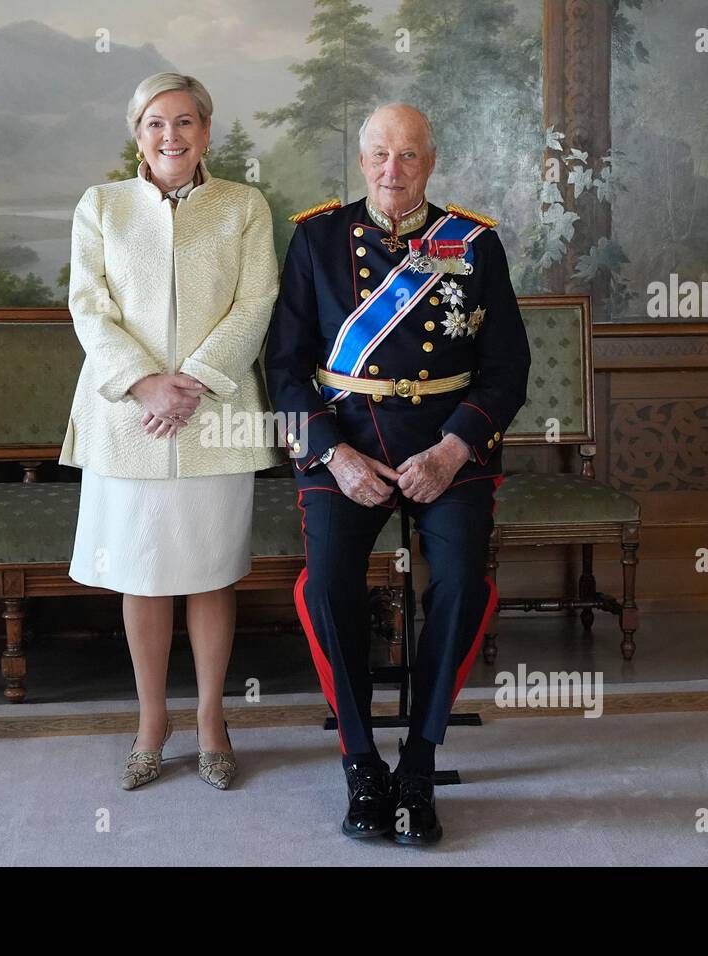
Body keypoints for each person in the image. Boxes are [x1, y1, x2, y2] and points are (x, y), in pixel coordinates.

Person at [264, 102, 531, 844]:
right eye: (381, 154)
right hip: (343, 441)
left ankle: (418, 761)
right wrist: (331, 453)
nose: (393, 169)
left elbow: (508, 368)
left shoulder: (472, 243)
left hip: (446, 443)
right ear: (360, 160)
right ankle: (360, 762)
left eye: (409, 155)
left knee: (462, 583)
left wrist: (453, 450)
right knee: (325, 586)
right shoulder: (315, 237)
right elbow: (282, 369)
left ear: (431, 162)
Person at [61, 72, 281, 791]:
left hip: (215, 411)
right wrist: (146, 382)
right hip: (129, 415)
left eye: (185, 122)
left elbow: (257, 302)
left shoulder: (243, 206)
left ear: (206, 131)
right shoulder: (102, 206)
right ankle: (152, 721)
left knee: (211, 571)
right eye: (156, 122)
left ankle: (213, 719)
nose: (171, 136)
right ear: (137, 133)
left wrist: (193, 384)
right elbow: (90, 307)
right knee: (143, 574)